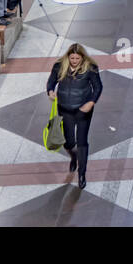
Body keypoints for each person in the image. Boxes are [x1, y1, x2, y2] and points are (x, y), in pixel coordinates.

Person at [46, 44, 103, 189]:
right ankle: (73, 156)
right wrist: (50, 91)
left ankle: (82, 173)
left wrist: (91, 102)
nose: (74, 61)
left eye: (77, 58)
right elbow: (51, 81)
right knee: (69, 142)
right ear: (68, 57)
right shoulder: (59, 66)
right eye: (72, 58)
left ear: (82, 57)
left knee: (82, 141)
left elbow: (98, 87)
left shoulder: (90, 68)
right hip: (65, 109)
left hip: (83, 110)